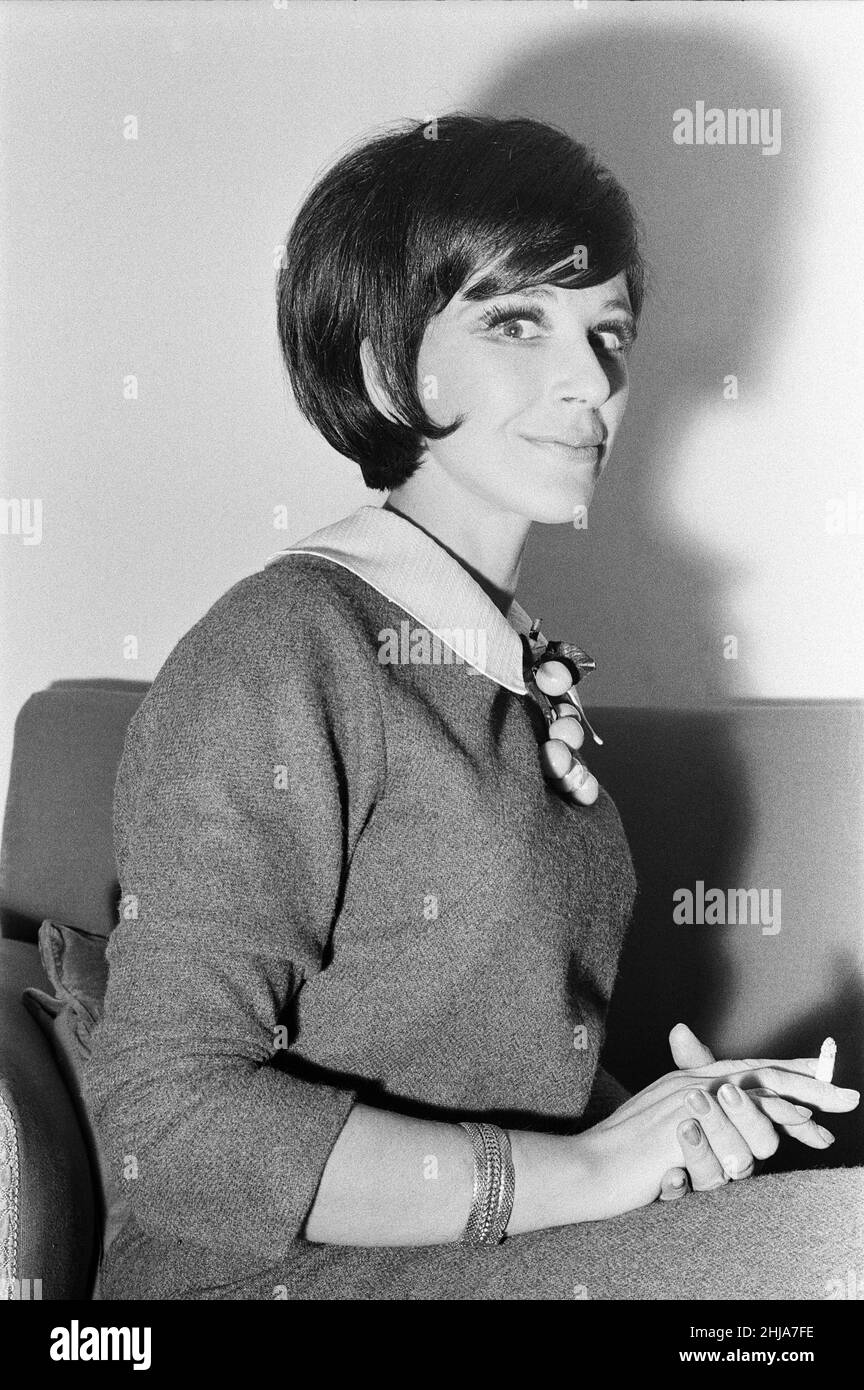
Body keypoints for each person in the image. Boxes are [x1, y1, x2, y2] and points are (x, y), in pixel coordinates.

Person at [85, 113, 861, 1300]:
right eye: (517, 323)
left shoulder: (513, 666)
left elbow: (472, 1063)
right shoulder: (282, 645)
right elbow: (170, 1125)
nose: (591, 378)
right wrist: (585, 1171)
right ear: (385, 366)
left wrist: (667, 1135)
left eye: (609, 330)